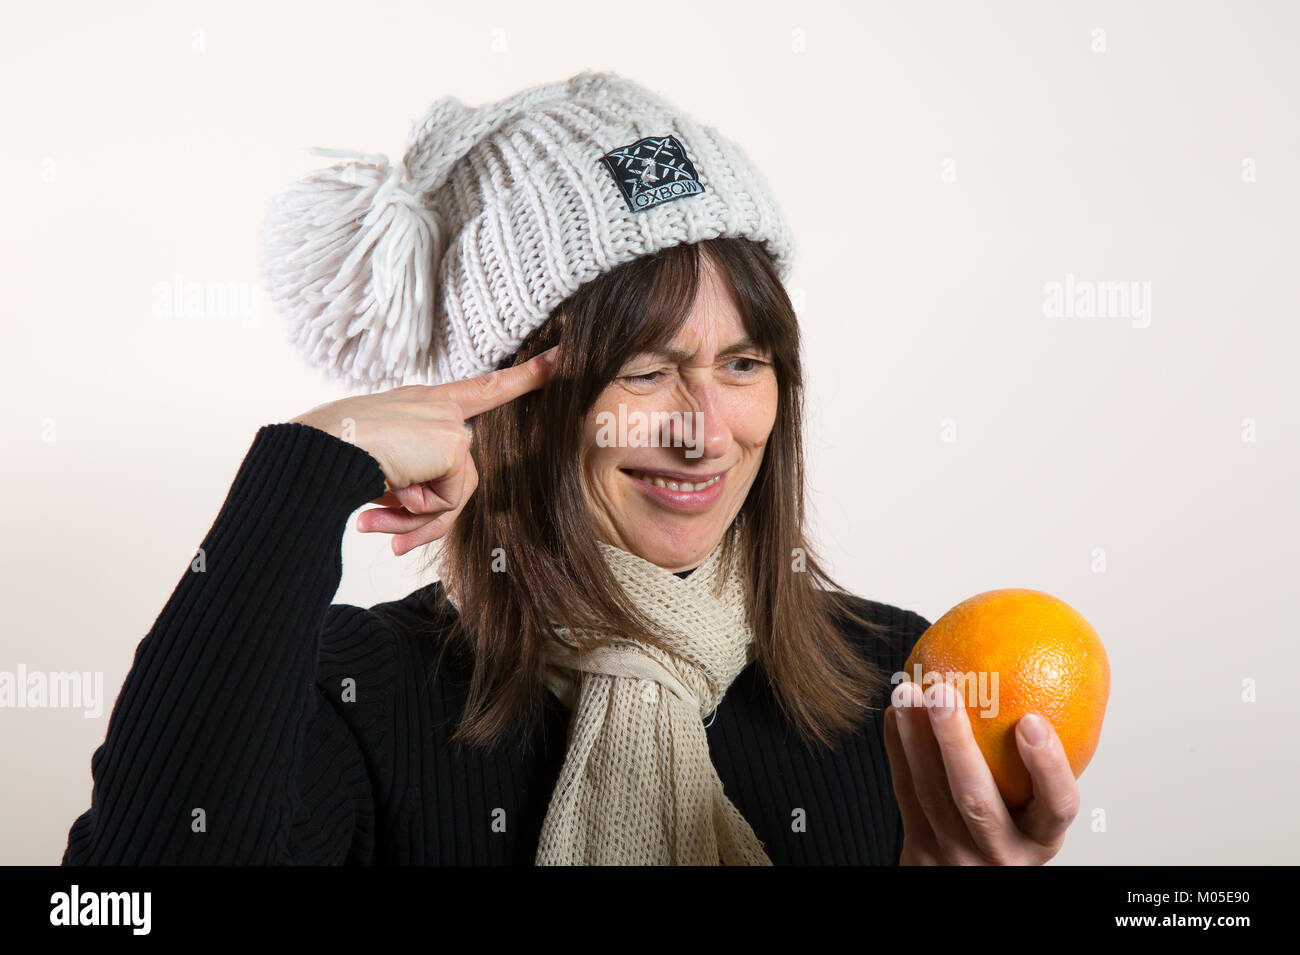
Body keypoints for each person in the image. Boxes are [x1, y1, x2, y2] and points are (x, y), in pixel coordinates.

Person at [62, 71, 1079, 866]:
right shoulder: (354, 697)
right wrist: (311, 468)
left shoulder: (904, 682)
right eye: (643, 370)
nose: (706, 431)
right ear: (507, 407)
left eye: (743, 363)